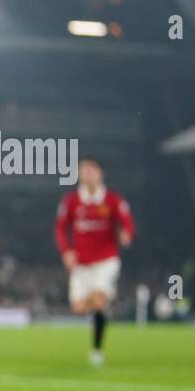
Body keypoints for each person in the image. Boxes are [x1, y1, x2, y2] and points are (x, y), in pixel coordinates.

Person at [54, 156, 135, 365]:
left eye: (91, 170)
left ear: (100, 173)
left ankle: (97, 350)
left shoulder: (113, 200)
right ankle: (97, 304)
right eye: (84, 170)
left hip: (106, 260)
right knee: (79, 308)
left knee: (99, 301)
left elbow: (127, 221)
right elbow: (61, 229)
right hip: (81, 263)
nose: (87, 174)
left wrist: (126, 234)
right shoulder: (71, 201)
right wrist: (66, 251)